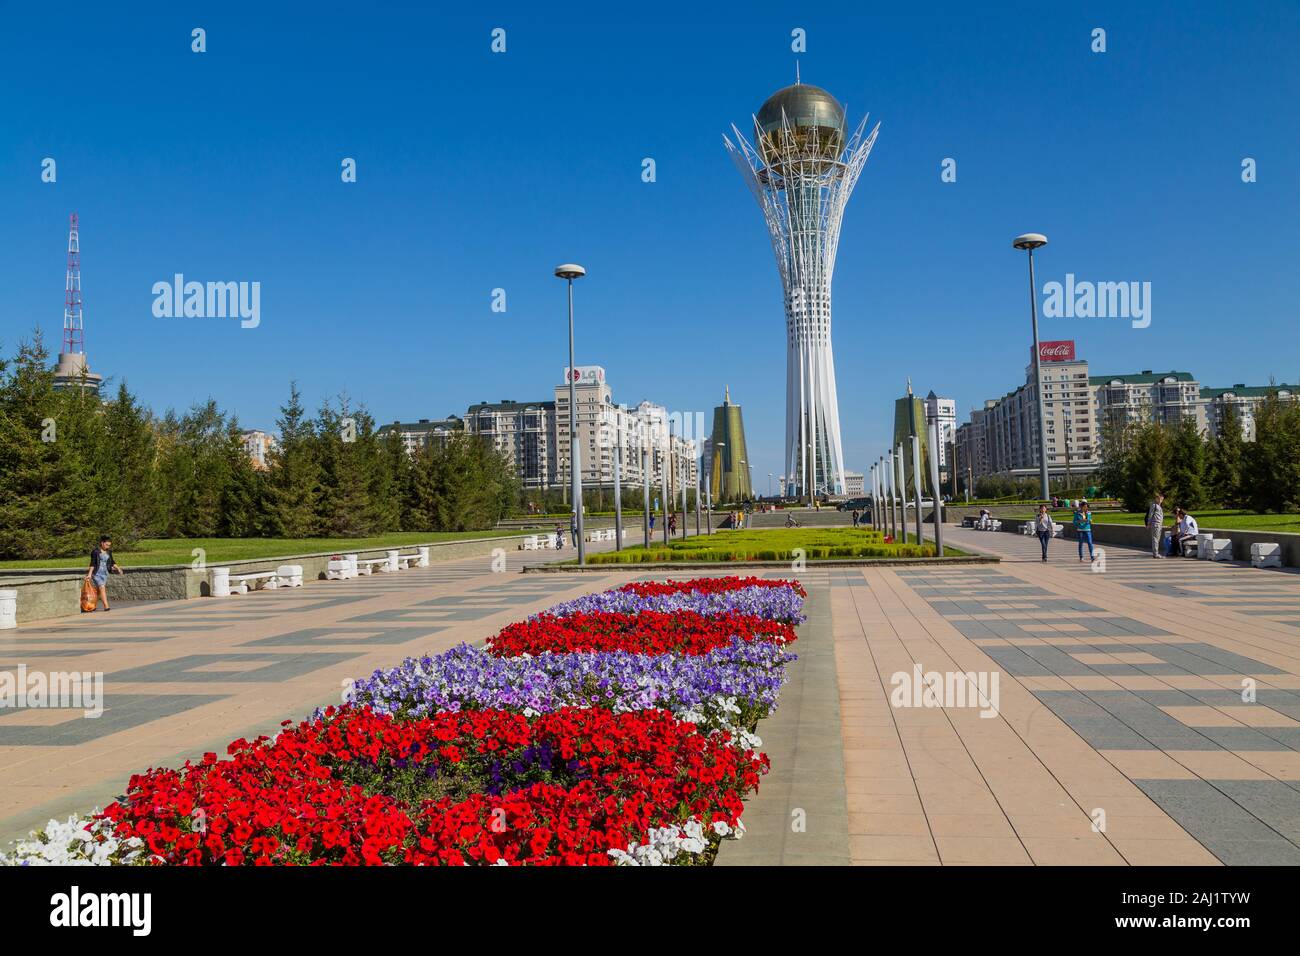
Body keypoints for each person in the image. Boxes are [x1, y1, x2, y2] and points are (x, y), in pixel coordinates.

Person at [85, 534, 124, 611]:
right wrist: (89, 574)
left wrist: (118, 568)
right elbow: (92, 563)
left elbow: (112, 562)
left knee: (99, 591)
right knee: (102, 587)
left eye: (109, 545)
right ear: (102, 543)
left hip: (105, 573)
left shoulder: (109, 552)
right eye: (107, 545)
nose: (108, 546)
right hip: (96, 573)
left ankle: (92, 605)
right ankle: (106, 606)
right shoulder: (95, 552)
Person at [1145, 493, 1165, 558]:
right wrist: (1148, 524)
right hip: (1155, 524)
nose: (1160, 500)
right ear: (1156, 499)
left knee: (1157, 539)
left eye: (1162, 499)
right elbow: (1150, 515)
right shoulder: (1154, 506)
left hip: (1159, 524)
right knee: (1155, 539)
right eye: (1159, 499)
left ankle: (1156, 553)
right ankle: (1155, 554)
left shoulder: (1159, 506)